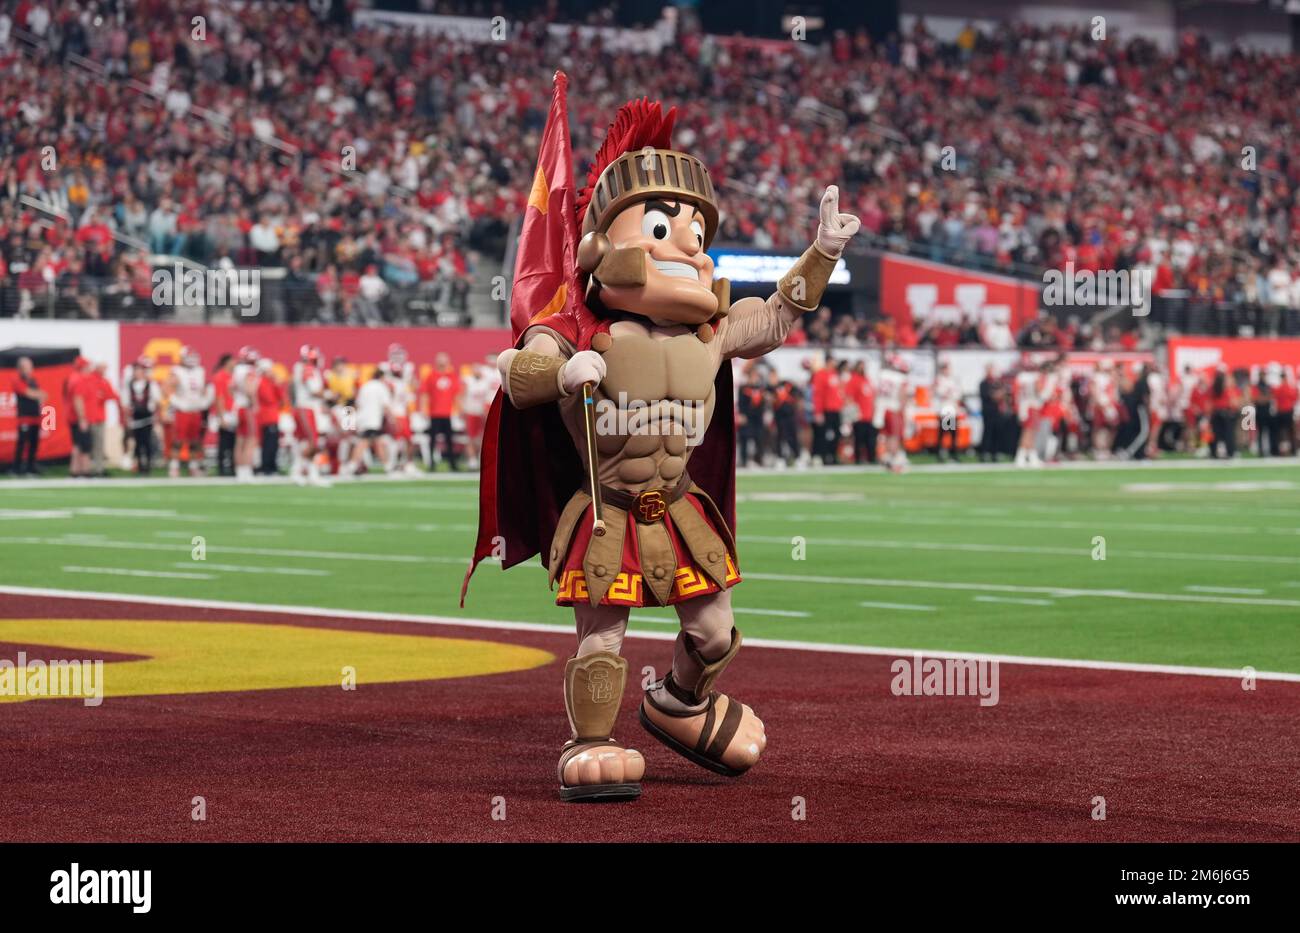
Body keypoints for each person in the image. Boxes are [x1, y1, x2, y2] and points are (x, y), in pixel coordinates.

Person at [464, 92, 860, 801]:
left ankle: (679, 701)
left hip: (678, 506)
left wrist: (823, 252)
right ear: (599, 245)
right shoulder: (577, 327)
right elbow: (511, 371)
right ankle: (589, 742)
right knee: (603, 639)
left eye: (695, 234)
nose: (686, 245)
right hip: (607, 507)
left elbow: (775, 317)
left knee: (715, 633)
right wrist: (561, 368)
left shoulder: (709, 333)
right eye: (660, 226)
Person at [167, 345, 211, 477]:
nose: (191, 359)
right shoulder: (177, 371)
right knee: (179, 440)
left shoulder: (200, 371)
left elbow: (202, 389)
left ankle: (193, 466)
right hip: (183, 409)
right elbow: (167, 387)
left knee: (195, 440)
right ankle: (174, 467)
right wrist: (175, 401)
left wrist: (204, 401)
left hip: (195, 409)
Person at [290, 345, 331, 486]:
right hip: (306, 408)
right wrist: (329, 395)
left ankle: (303, 472)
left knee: (305, 443)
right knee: (314, 442)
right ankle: (305, 472)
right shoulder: (307, 369)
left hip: (308, 408)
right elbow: (314, 391)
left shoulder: (305, 369)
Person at [343, 362, 392, 476]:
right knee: (364, 443)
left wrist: (350, 421)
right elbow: (386, 405)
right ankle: (351, 466)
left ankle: (387, 466)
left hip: (364, 419)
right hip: (372, 420)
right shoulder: (381, 387)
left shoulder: (365, 386)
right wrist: (392, 419)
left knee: (376, 442)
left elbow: (357, 405)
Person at [419, 352, 460, 471]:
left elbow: (456, 394)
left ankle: (452, 464)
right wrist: (423, 409)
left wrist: (459, 409)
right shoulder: (431, 375)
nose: (443, 362)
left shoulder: (452, 376)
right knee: (433, 440)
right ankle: (432, 464)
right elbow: (424, 394)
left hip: (447, 413)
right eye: (441, 360)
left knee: (449, 439)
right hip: (434, 413)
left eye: (445, 360)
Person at [9, 356, 46, 475]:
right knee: (22, 443)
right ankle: (17, 468)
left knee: (34, 443)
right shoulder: (17, 380)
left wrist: (39, 395)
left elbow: (42, 396)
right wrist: (38, 394)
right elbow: (29, 393)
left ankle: (31, 467)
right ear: (21, 368)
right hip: (24, 417)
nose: (30, 369)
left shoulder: (33, 380)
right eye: (27, 367)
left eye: (30, 367)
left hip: (35, 417)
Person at [124, 357, 161, 474]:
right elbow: (126, 404)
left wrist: (157, 416)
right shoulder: (129, 386)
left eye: (140, 370)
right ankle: (140, 465)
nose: (137, 373)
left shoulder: (151, 385)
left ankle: (148, 465)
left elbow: (157, 401)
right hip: (135, 416)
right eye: (136, 370)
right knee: (138, 442)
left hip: (147, 416)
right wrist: (126, 419)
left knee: (147, 441)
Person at [255, 357, 283, 475]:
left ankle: (272, 466)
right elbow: (269, 399)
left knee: (273, 443)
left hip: (272, 416)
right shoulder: (262, 382)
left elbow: (281, 398)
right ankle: (267, 467)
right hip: (267, 417)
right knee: (268, 444)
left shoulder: (269, 382)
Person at [845, 360, 876, 464]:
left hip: (869, 415)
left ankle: (871, 458)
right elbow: (849, 398)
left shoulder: (867, 379)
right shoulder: (853, 380)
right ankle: (858, 459)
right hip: (859, 415)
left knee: (870, 439)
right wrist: (853, 414)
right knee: (859, 439)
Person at [211, 353, 236, 476]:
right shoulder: (220, 376)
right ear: (227, 362)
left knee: (234, 442)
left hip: (234, 411)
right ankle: (221, 467)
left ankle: (232, 466)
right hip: (226, 412)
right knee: (224, 442)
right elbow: (219, 397)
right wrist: (221, 416)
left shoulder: (233, 376)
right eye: (233, 360)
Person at [932, 358, 962, 461]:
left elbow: (957, 394)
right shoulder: (940, 379)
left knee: (953, 433)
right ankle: (940, 453)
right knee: (943, 432)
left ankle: (953, 453)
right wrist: (949, 393)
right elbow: (941, 393)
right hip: (944, 408)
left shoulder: (953, 379)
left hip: (952, 408)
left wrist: (950, 394)